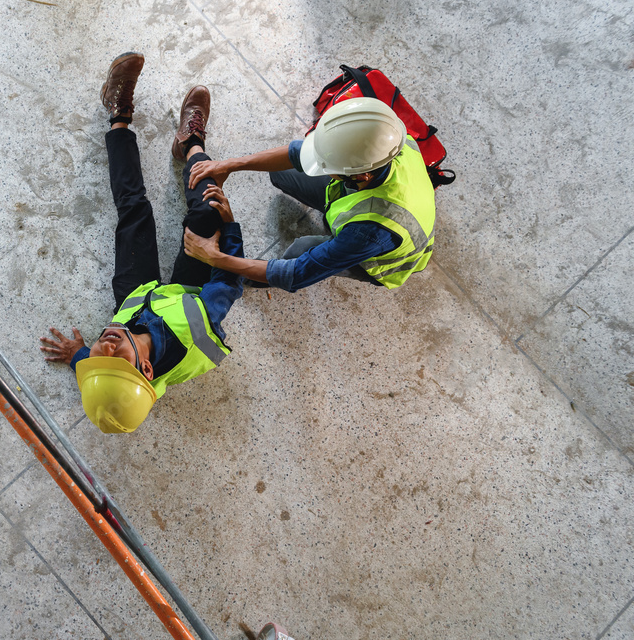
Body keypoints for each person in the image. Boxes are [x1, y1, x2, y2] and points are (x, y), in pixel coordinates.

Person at [40, 52, 245, 434]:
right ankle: (192, 144)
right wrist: (227, 233)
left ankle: (117, 113)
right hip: (193, 294)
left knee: (134, 211)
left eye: (96, 356)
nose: (105, 344)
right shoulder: (197, 333)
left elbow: (103, 358)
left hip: (137, 298)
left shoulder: (114, 350)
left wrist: (76, 356)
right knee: (209, 211)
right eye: (112, 356)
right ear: (147, 370)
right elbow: (229, 282)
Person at [181, 97, 436, 292]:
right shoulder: (385, 139)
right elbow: (295, 154)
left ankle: (249, 278)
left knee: (300, 251)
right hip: (368, 205)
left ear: (360, 175)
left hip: (382, 254)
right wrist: (229, 165)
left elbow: (296, 274)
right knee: (281, 173)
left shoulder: (370, 232)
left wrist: (215, 258)